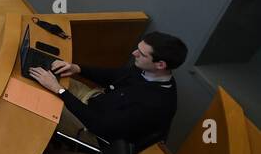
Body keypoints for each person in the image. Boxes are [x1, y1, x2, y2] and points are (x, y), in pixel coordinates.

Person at [26, 32, 183, 147]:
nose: (134, 53)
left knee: (37, 101)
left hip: (93, 129)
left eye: (141, 54)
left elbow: (99, 125)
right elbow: (114, 75)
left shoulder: (154, 104)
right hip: (95, 100)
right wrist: (77, 68)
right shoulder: (148, 70)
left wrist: (59, 90)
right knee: (41, 78)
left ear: (160, 64)